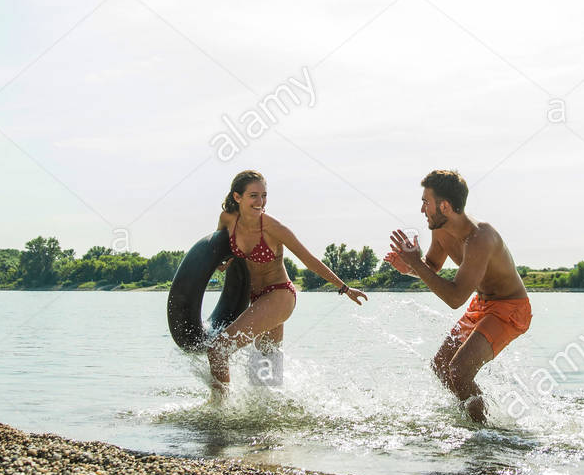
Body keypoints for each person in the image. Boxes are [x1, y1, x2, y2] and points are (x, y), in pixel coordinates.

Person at [387, 169, 530, 423]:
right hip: (481, 304)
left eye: (425, 202)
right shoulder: (440, 229)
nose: (422, 210)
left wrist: (416, 264)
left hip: (510, 308)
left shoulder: (480, 238)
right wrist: (409, 268)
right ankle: (475, 420)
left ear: (444, 206)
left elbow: (455, 299)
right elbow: (431, 267)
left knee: (459, 371)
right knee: (441, 367)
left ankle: (484, 433)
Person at [207, 170, 367, 394]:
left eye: (264, 195)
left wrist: (344, 288)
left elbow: (309, 260)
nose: (260, 201)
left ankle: (219, 411)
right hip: (256, 299)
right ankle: (272, 415)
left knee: (218, 349)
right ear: (237, 197)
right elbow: (221, 254)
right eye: (253, 195)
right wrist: (223, 263)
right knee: (264, 377)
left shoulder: (274, 228)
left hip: (279, 295)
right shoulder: (227, 219)